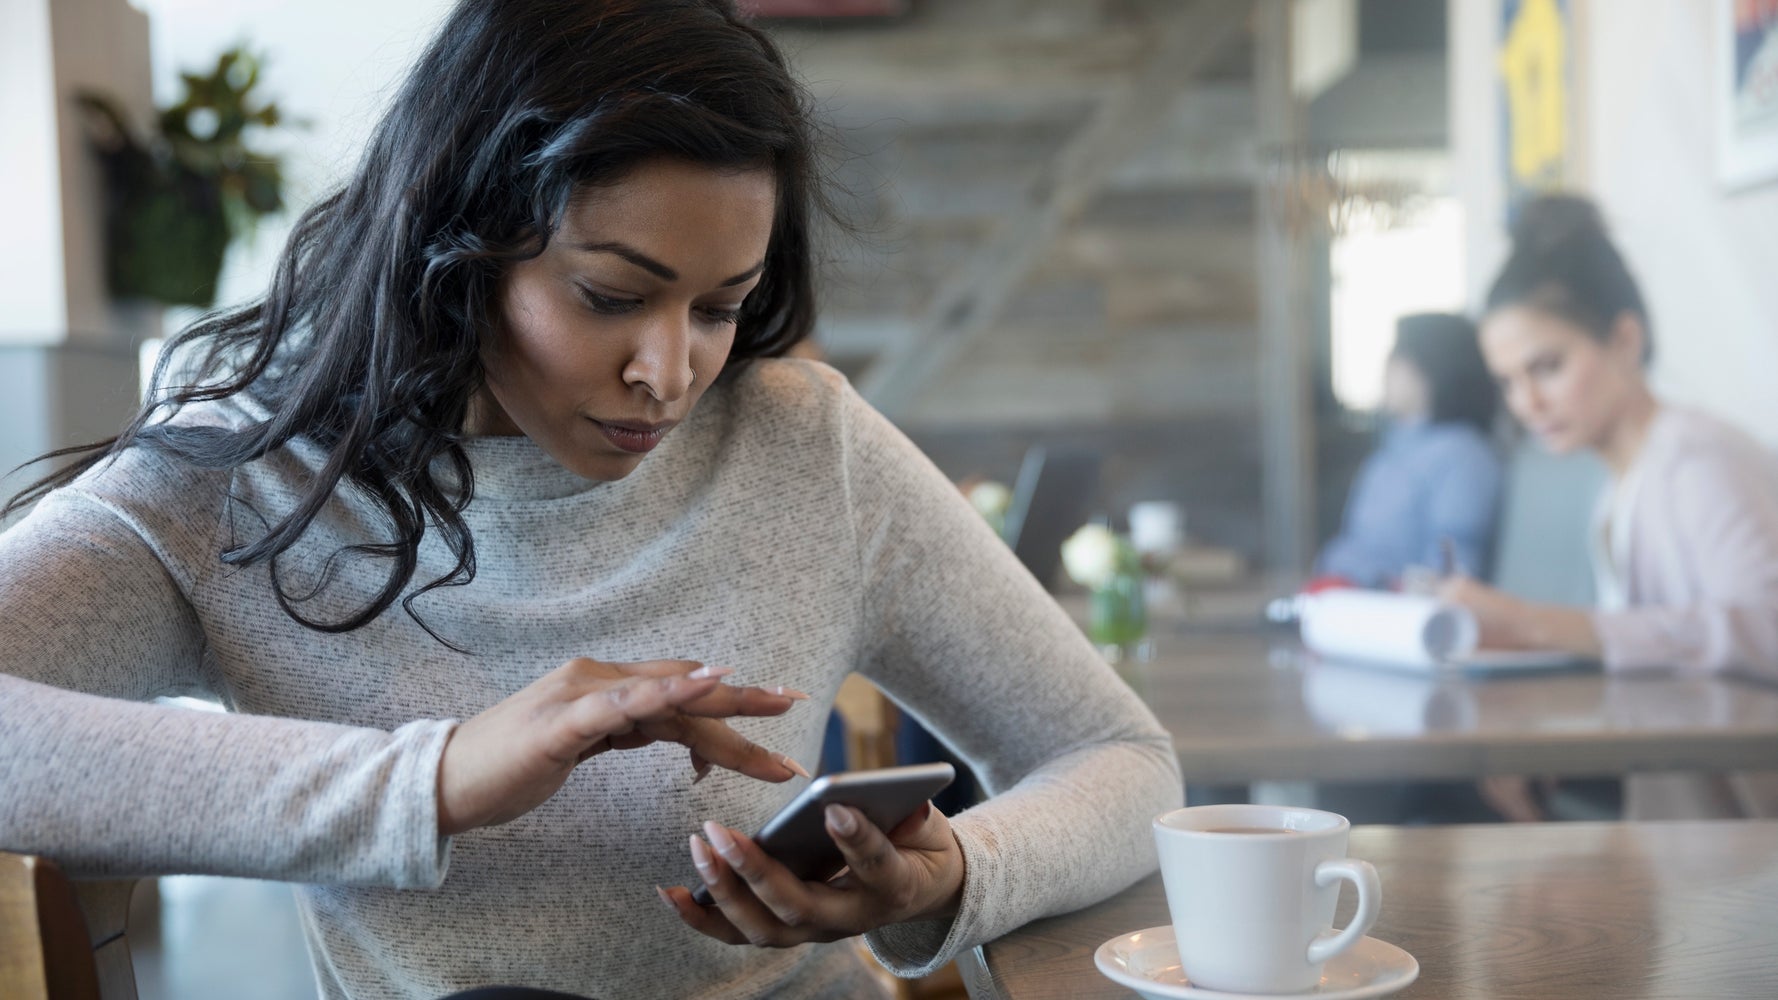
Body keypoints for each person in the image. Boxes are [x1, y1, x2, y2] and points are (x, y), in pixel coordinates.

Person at [0, 3, 1183, 998]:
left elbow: (1122, 758)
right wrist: (438, 776)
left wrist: (951, 874)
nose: (666, 374)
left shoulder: (801, 443)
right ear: (452, 249)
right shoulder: (236, 489)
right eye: (610, 293)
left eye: (717, 309)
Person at [1439, 193, 1778, 820]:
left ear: (1625, 339)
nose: (1527, 403)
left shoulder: (1697, 465)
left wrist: (1540, 622)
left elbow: (1766, 629)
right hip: (1680, 842)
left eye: (1547, 366)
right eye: (1508, 381)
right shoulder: (1620, 485)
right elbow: (1669, 668)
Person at [1316, 313, 1503, 588]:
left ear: (1433, 369)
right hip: (1344, 597)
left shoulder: (1463, 455)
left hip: (1389, 612)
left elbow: (1452, 574)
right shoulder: (1395, 449)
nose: (1384, 370)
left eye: (1397, 358)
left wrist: (1372, 585)